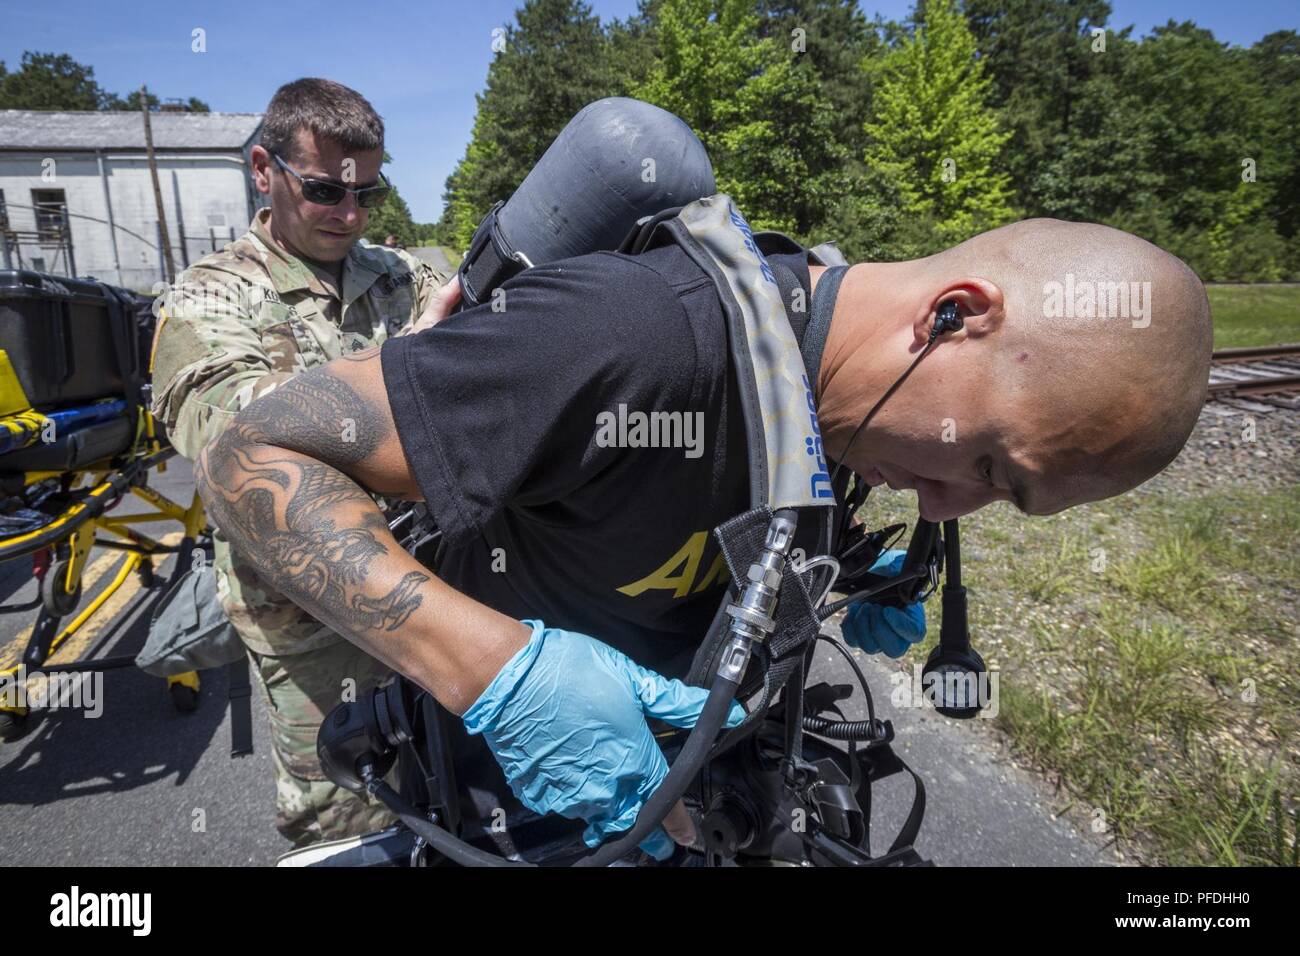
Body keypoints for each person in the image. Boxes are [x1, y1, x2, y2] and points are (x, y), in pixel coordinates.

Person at [192, 210, 1212, 860]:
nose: (950, 507)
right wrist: (497, 671)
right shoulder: (638, 339)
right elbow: (254, 455)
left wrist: (853, 577)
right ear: (953, 315)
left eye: (1004, 496)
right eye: (988, 465)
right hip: (503, 804)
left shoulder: (830, 401)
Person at [150, 77, 456, 847]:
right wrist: (408, 367)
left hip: (442, 581)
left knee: (456, 782)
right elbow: (234, 435)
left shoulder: (395, 273)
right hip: (312, 619)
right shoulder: (208, 298)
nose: (350, 217)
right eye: (324, 192)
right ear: (264, 168)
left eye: (367, 195)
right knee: (351, 814)